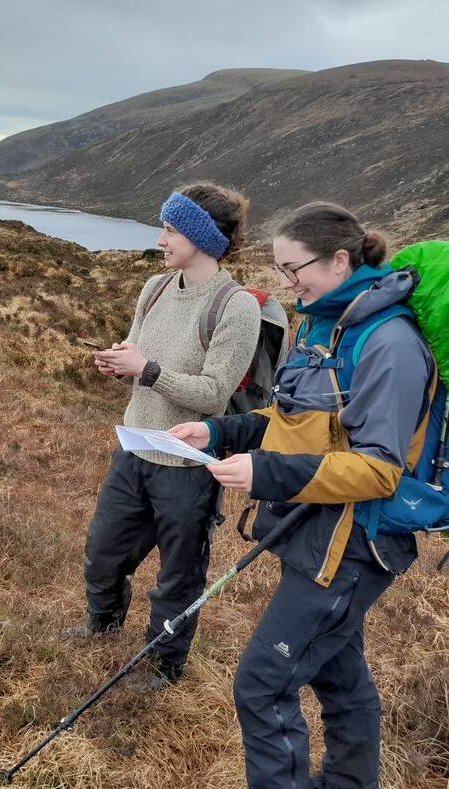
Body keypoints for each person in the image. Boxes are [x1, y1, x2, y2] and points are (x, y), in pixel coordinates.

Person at [171, 202, 435, 788]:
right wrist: (219, 432)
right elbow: (291, 418)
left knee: (262, 686)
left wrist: (264, 474)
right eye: (281, 271)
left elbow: (379, 471)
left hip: (354, 545)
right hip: (314, 531)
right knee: (340, 677)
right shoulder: (322, 324)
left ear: (340, 260)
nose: (287, 284)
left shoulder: (390, 344)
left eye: (295, 270)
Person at [65, 183, 262, 690]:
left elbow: (214, 394)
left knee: (179, 575)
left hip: (189, 467)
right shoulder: (154, 288)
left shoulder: (235, 306)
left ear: (202, 237)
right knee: (104, 552)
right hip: (135, 450)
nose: (161, 239)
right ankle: (102, 625)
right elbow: (138, 356)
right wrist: (120, 365)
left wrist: (147, 369)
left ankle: (163, 665)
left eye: (171, 229)